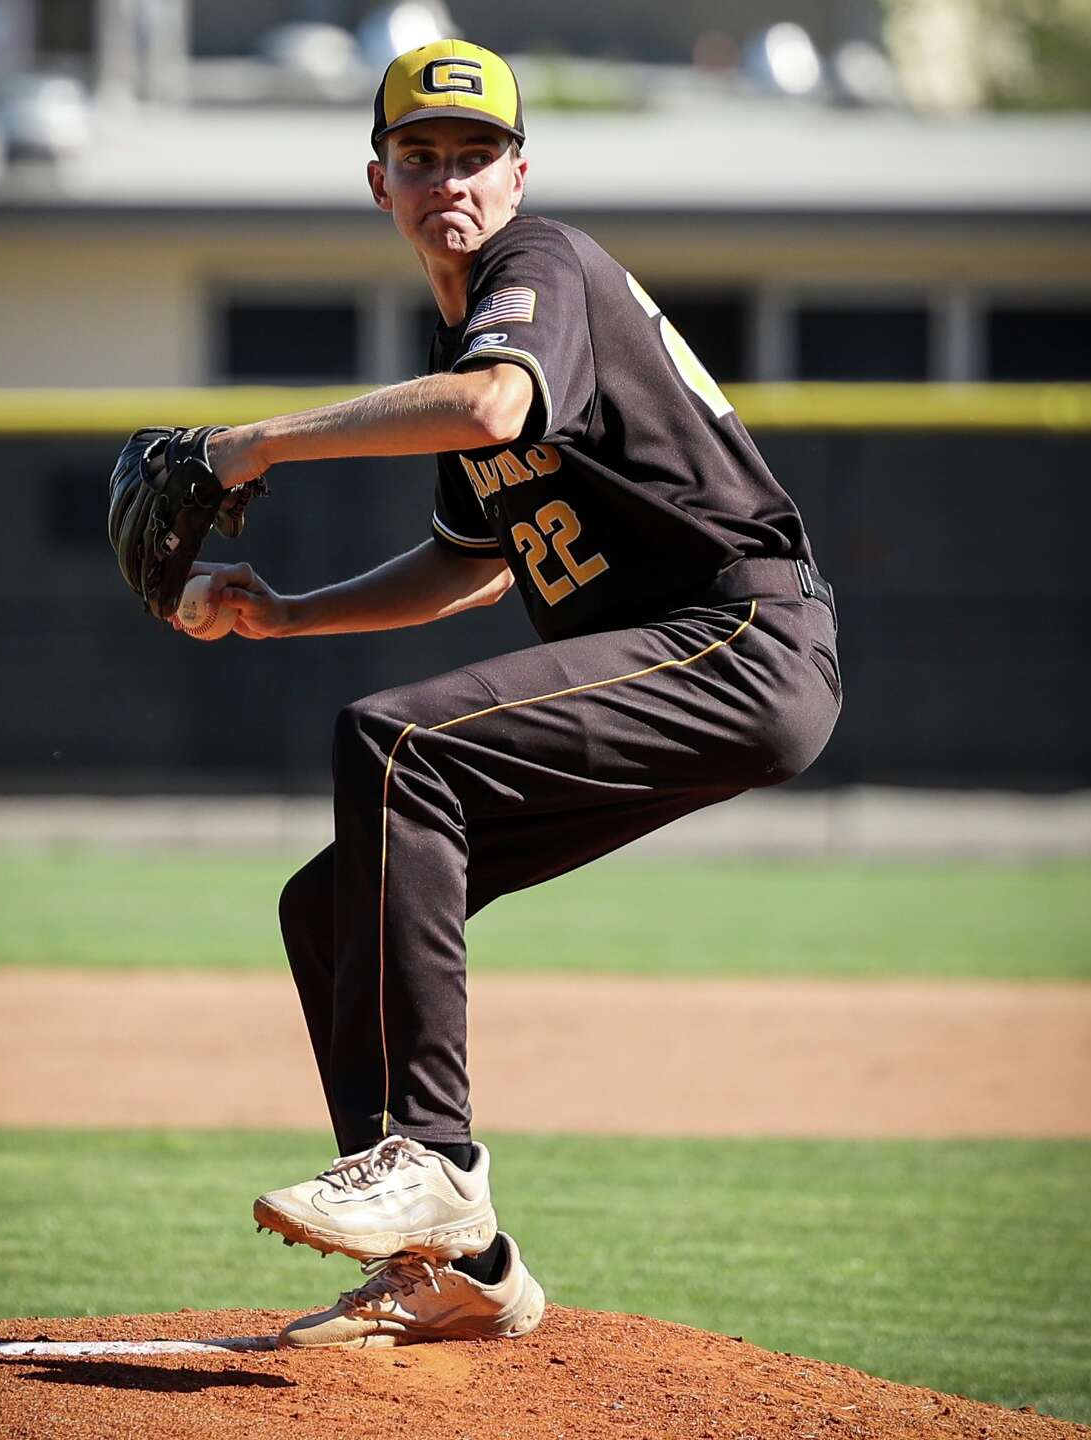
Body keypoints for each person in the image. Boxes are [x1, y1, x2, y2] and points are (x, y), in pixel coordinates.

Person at [187, 39, 841, 1349]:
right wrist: (293, 612)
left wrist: (253, 442)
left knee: (396, 741)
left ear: (520, 171)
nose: (451, 179)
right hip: (666, 663)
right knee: (330, 903)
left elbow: (493, 412)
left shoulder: (535, 270)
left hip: (740, 636)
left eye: (476, 154)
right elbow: (472, 566)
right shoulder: (474, 324)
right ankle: (461, 1270)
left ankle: (430, 1158)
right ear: (377, 181)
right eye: (421, 157)